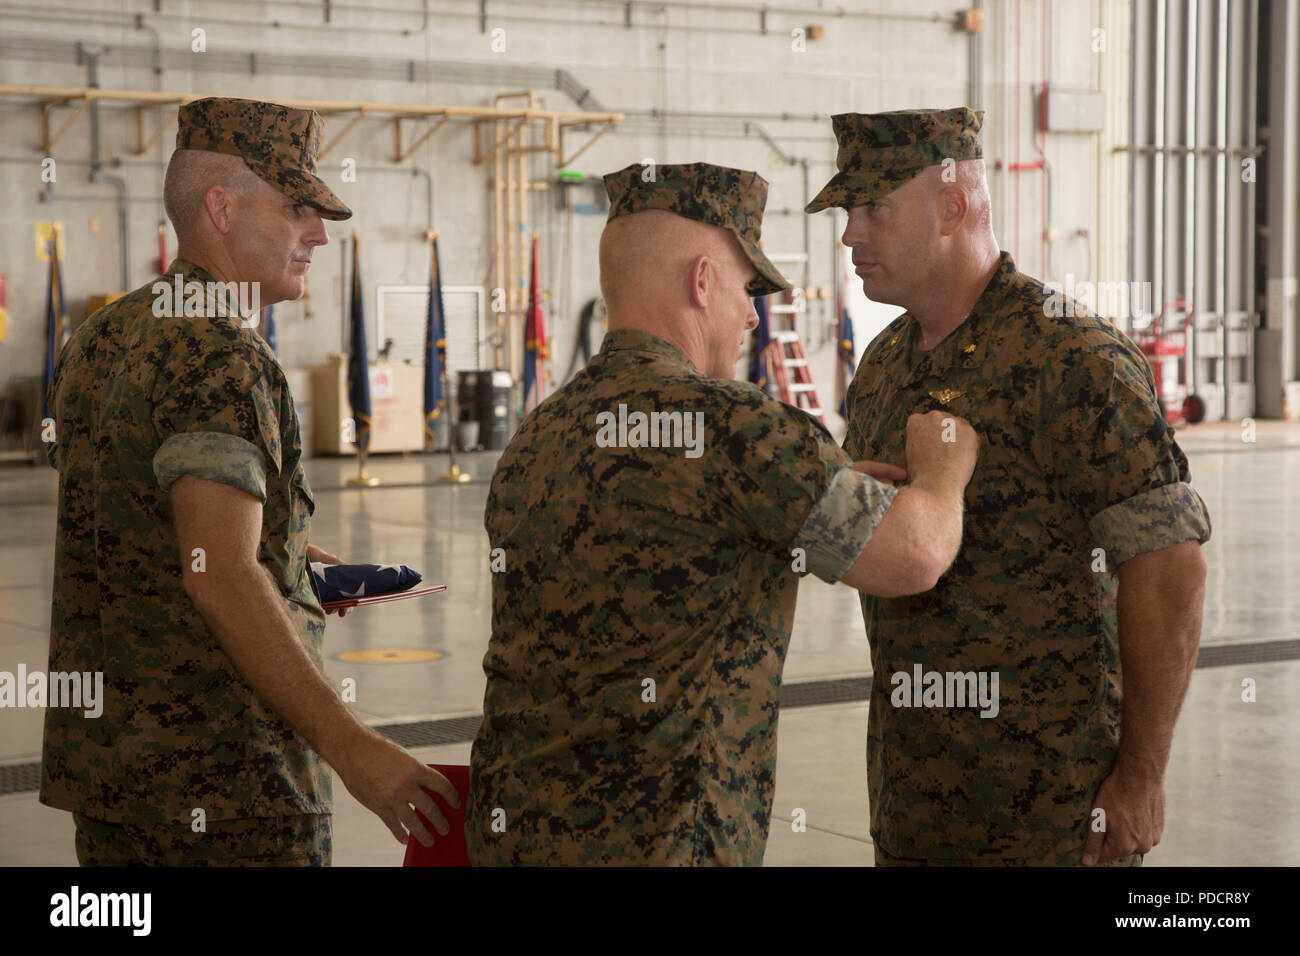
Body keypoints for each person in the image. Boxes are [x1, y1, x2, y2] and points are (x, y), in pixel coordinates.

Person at [467, 161, 979, 866]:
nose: (750, 314)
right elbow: (916, 553)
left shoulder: (540, 434)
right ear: (701, 281)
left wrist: (815, 489)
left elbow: (671, 535)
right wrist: (944, 468)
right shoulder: (732, 428)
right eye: (745, 290)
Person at [43, 96, 457, 866]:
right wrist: (355, 749)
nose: (319, 235)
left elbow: (144, 526)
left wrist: (293, 564)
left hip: (115, 781)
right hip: (226, 785)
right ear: (220, 207)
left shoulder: (105, 334)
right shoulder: (221, 355)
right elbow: (219, 576)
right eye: (297, 207)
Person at [805, 107, 1212, 866]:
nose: (850, 235)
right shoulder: (884, 367)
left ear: (952, 207)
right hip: (912, 805)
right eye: (849, 213)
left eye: (873, 208)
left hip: (1051, 816)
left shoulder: (1073, 357)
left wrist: (1141, 779)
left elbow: (1170, 567)